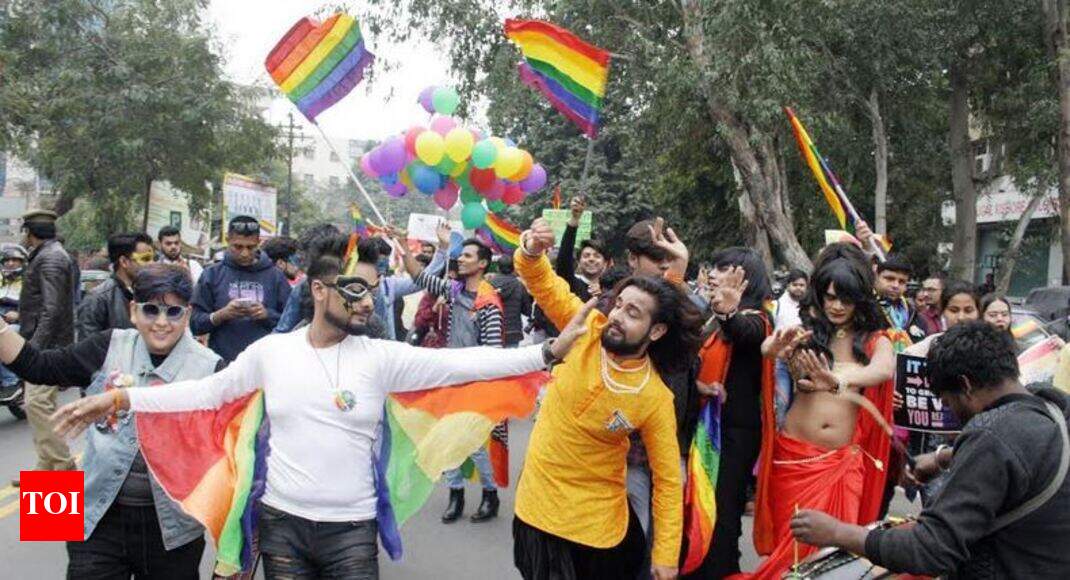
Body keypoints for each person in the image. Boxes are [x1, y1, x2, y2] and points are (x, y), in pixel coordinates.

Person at [53, 253, 582, 580]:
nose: (366, 303)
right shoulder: (272, 353)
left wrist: (544, 354)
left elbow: (459, 365)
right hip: (267, 523)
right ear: (319, 292)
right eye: (354, 290)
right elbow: (208, 396)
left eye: (373, 293)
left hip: (350, 529)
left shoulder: (381, 357)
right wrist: (119, 399)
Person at [791, 321, 1070, 579]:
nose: (952, 411)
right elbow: (1027, 458)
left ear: (965, 385)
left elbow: (930, 550)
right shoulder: (1051, 410)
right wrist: (942, 457)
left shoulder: (991, 433)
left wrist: (838, 532)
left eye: (948, 401)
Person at [512, 217, 704, 580]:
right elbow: (541, 280)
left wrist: (665, 556)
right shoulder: (585, 329)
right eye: (619, 305)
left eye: (633, 313)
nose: (616, 317)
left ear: (657, 330)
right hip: (536, 512)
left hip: (597, 532)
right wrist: (532, 250)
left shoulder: (653, 395)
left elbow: (665, 480)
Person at [3, 264, 218, 576]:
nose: (161, 323)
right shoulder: (109, 345)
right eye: (150, 310)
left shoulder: (212, 370)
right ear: (133, 311)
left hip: (172, 531)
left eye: (173, 312)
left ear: (187, 315)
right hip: (97, 516)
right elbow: (39, 366)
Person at [753, 244, 894, 578]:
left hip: (841, 465)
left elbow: (882, 371)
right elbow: (771, 348)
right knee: (790, 559)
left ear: (860, 299)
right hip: (792, 458)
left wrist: (836, 381)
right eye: (829, 297)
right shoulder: (808, 332)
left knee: (832, 560)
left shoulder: (875, 339)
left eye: (845, 299)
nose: (836, 306)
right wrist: (771, 350)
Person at [399, 232, 506, 523]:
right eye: (461, 255)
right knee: (445, 438)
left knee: (474, 445)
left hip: (475, 385)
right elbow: (419, 276)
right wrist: (401, 244)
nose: (461, 258)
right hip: (448, 378)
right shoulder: (454, 290)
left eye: (468, 255)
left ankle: (490, 495)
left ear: (482, 264)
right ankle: (455, 493)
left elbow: (494, 355)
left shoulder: (489, 304)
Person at [695, 248, 775, 579]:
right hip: (705, 426)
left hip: (734, 433)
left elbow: (746, 334)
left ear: (747, 278)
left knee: (723, 512)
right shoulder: (712, 316)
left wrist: (729, 314)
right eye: (715, 267)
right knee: (701, 507)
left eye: (725, 268)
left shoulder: (759, 319)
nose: (715, 274)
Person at [901, 280, 980, 505]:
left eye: (968, 310)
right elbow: (904, 390)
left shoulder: (989, 349)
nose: (961, 317)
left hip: (975, 440)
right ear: (943, 312)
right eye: (954, 310)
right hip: (933, 446)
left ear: (978, 311)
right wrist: (900, 400)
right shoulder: (921, 350)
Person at [17, 209, 79, 485]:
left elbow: (52, 310)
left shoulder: (51, 258)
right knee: (44, 406)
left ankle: (62, 463)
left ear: (30, 232)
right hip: (51, 344)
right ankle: (46, 463)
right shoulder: (52, 254)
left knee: (37, 403)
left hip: (47, 348)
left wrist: (34, 350)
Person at [190, 216, 291, 362]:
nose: (244, 253)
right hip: (223, 364)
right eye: (238, 247)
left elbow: (292, 323)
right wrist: (221, 315)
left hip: (264, 363)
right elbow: (195, 324)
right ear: (227, 240)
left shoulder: (275, 277)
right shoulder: (212, 274)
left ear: (259, 242)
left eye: (250, 247)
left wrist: (266, 315)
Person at [77, 232, 154, 339]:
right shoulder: (97, 299)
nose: (152, 264)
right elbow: (87, 349)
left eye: (152, 258)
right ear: (124, 262)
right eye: (145, 259)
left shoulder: (150, 294)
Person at [555, 196, 610, 301]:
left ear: (605, 263)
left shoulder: (612, 291)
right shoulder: (570, 284)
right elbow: (564, 259)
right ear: (579, 262)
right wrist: (574, 220)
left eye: (597, 256)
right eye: (586, 255)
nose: (591, 259)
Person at [874, 254, 929, 344]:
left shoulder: (915, 317)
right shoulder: (864, 311)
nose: (896, 285)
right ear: (876, 276)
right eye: (889, 279)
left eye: (902, 281)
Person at [0, 245, 27, 403]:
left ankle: (11, 382)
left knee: (3, 338)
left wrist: (19, 315)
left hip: (21, 321)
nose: (10, 263)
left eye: (14, 260)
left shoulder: (30, 281)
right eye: (7, 260)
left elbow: (39, 306)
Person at [491, 255, 533, 348]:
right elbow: (527, 310)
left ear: (498, 268)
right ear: (513, 269)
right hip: (513, 331)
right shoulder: (519, 285)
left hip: (493, 330)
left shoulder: (489, 285)